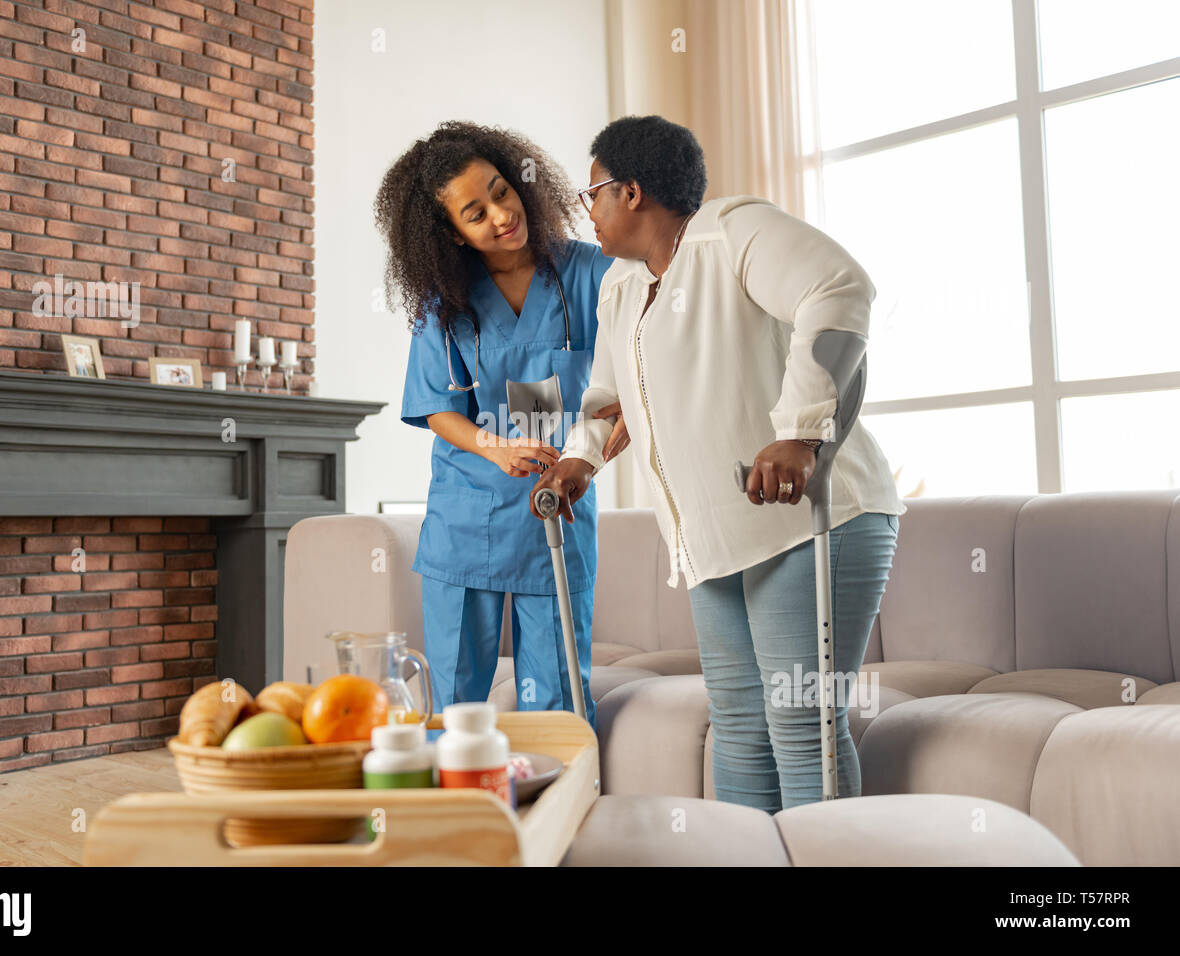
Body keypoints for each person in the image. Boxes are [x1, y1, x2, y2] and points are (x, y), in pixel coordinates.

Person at [531, 115, 906, 809]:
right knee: (738, 728)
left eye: (594, 193)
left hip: (813, 523)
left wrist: (800, 432)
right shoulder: (620, 286)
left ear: (632, 192)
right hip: (714, 540)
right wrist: (580, 460)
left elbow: (839, 286)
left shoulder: (732, 230)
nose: (589, 211)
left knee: (800, 724)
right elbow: (607, 402)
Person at [377, 121, 616, 729]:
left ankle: (557, 818)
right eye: (475, 213)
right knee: (455, 701)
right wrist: (496, 448)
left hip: (555, 504)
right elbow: (436, 408)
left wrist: (587, 457)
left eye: (502, 192)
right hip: (468, 515)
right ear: (451, 234)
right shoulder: (444, 301)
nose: (501, 216)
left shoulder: (589, 272)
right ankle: (457, 816)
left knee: (557, 699)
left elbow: (633, 375)